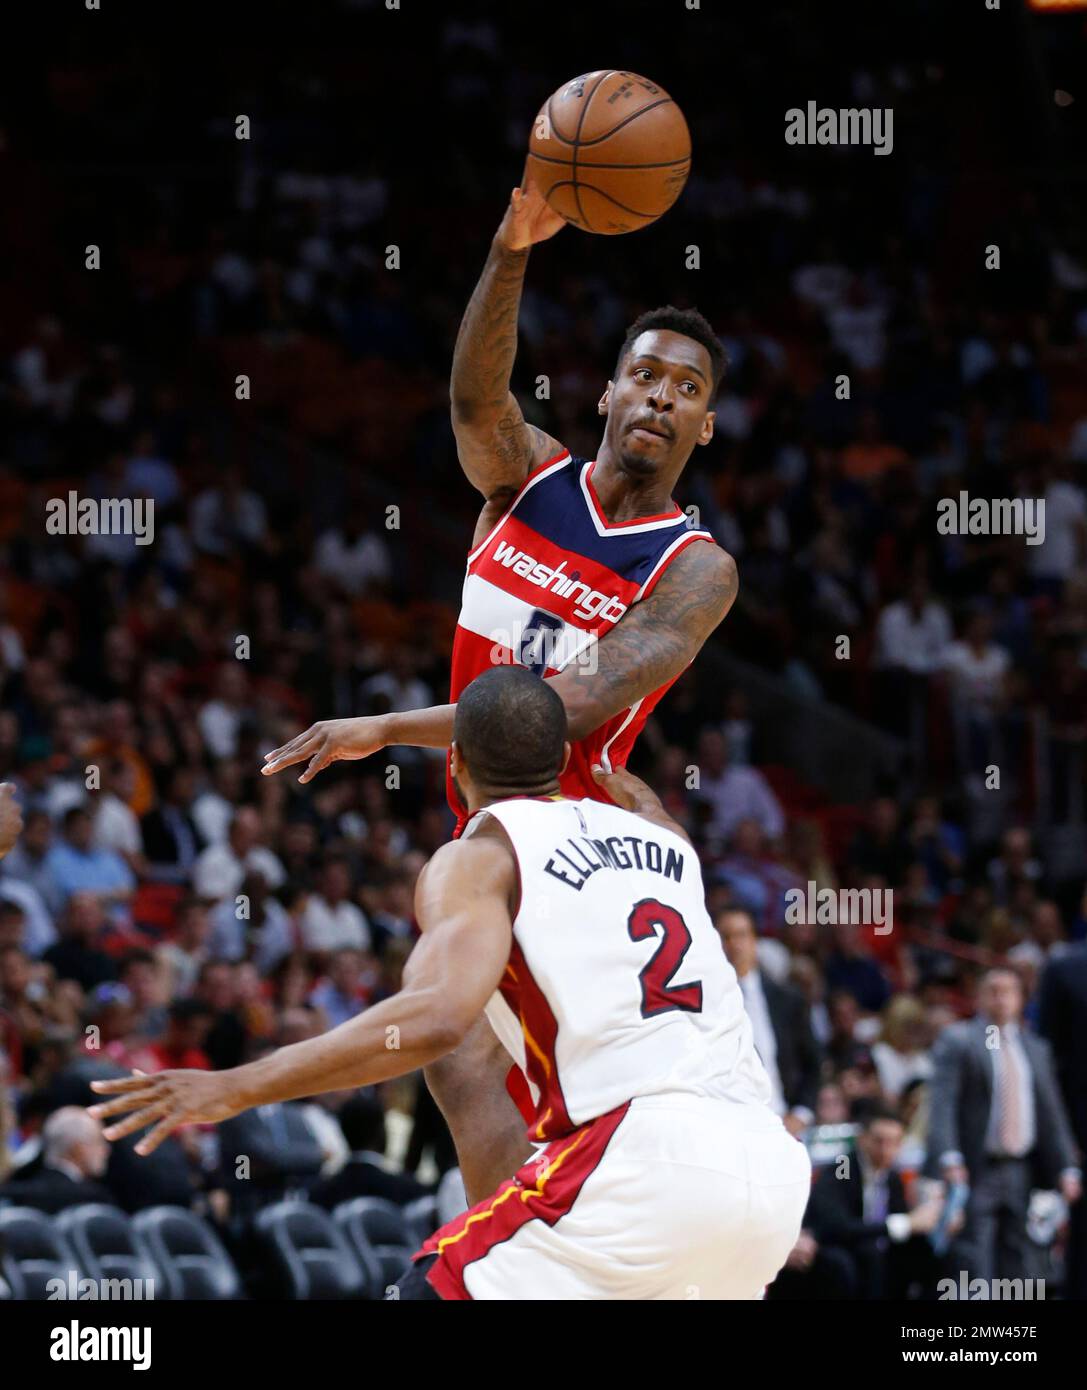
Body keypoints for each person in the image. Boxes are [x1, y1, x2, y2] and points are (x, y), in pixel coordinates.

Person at [261, 172, 739, 1207]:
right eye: (644, 375)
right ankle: (526, 1248)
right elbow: (477, 400)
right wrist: (512, 247)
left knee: (467, 1039)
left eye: (687, 388)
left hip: (571, 819)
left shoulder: (694, 567)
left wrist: (387, 725)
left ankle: (547, 1252)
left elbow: (549, 711)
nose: (661, 395)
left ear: (703, 428)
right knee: (460, 1053)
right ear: (606, 394)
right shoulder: (526, 481)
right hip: (487, 810)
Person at [89, 666, 811, 1300]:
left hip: (639, 1161)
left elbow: (432, 1019)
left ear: (456, 763)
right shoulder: (669, 843)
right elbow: (648, 809)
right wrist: (644, 799)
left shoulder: (480, 856)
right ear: (561, 758)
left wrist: (235, 1086)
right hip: (770, 1172)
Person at [925, 967, 1081, 1284]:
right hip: (976, 1165)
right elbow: (942, 1105)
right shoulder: (959, 1040)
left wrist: (1067, 1166)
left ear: (1021, 999)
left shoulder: (1035, 1047)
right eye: (992, 990)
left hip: (1022, 1169)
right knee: (974, 1257)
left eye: (1008, 990)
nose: (1000, 998)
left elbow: (1052, 1115)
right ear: (979, 997)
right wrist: (949, 1156)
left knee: (1021, 1260)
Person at [716, 904, 821, 1133]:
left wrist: (801, 1113)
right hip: (729, 1125)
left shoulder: (788, 999)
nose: (734, 944)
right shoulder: (703, 1004)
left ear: (755, 941)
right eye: (726, 936)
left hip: (782, 1121)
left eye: (742, 935)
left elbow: (813, 1061)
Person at [0, 1106, 115, 1213]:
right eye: (99, 1141)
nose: (106, 1150)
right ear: (78, 1148)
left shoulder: (15, 1191)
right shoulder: (92, 1199)